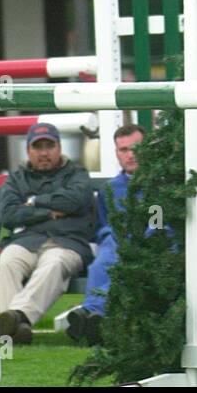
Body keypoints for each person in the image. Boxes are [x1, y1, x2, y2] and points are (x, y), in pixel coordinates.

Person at [0, 123, 97, 344]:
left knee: (54, 264)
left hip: (67, 243)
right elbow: (9, 215)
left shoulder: (76, 174)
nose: (43, 153)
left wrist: (34, 201)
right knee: (7, 262)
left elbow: (74, 201)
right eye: (37, 147)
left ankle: (16, 319)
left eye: (49, 146)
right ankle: (17, 330)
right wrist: (49, 213)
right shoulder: (17, 178)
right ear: (28, 151)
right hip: (26, 241)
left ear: (59, 148)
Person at [65, 123, 145, 346]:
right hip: (117, 242)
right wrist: (114, 234)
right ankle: (94, 318)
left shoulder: (158, 185)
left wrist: (142, 234)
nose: (131, 155)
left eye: (136, 148)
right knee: (102, 261)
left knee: (123, 261)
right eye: (124, 150)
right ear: (117, 153)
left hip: (149, 244)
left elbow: (157, 222)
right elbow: (103, 224)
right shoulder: (110, 189)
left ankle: (90, 313)